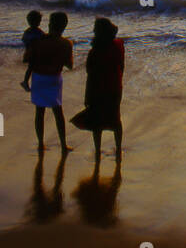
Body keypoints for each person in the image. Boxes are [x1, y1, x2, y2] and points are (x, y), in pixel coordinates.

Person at [73, 18, 125, 164]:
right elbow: (122, 66)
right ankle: (118, 149)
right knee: (115, 119)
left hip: (98, 89)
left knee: (97, 122)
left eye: (95, 29)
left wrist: (87, 96)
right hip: (115, 87)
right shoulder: (119, 45)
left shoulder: (95, 52)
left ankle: (97, 151)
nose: (93, 31)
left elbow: (90, 74)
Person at [26, 11, 73, 153]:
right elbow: (69, 65)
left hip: (39, 77)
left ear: (49, 24)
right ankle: (63, 145)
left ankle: (41, 143)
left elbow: (28, 58)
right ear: (64, 26)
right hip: (54, 78)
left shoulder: (39, 41)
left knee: (39, 112)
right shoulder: (66, 43)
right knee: (58, 112)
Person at [20, 11, 44, 92]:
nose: (39, 22)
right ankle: (26, 82)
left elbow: (24, 40)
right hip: (34, 53)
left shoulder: (28, 31)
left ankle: (26, 81)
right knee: (32, 67)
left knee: (30, 68)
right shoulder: (38, 32)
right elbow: (43, 40)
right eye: (39, 21)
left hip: (29, 52)